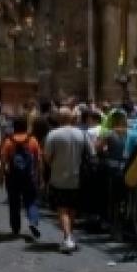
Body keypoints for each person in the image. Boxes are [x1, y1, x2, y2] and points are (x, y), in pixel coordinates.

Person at [43, 107, 95, 253]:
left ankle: (67, 237)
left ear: (59, 118)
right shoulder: (82, 134)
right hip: (78, 177)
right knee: (72, 209)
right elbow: (91, 153)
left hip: (58, 177)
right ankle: (70, 236)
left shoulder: (53, 134)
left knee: (62, 209)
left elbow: (47, 157)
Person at [0, 117, 41, 239]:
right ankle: (33, 221)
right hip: (29, 176)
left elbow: (3, 161)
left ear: (14, 127)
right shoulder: (32, 140)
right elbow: (38, 159)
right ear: (26, 126)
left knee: (14, 202)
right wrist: (38, 175)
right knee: (31, 200)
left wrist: (1, 176)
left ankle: (15, 228)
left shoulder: (8, 141)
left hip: (13, 177)